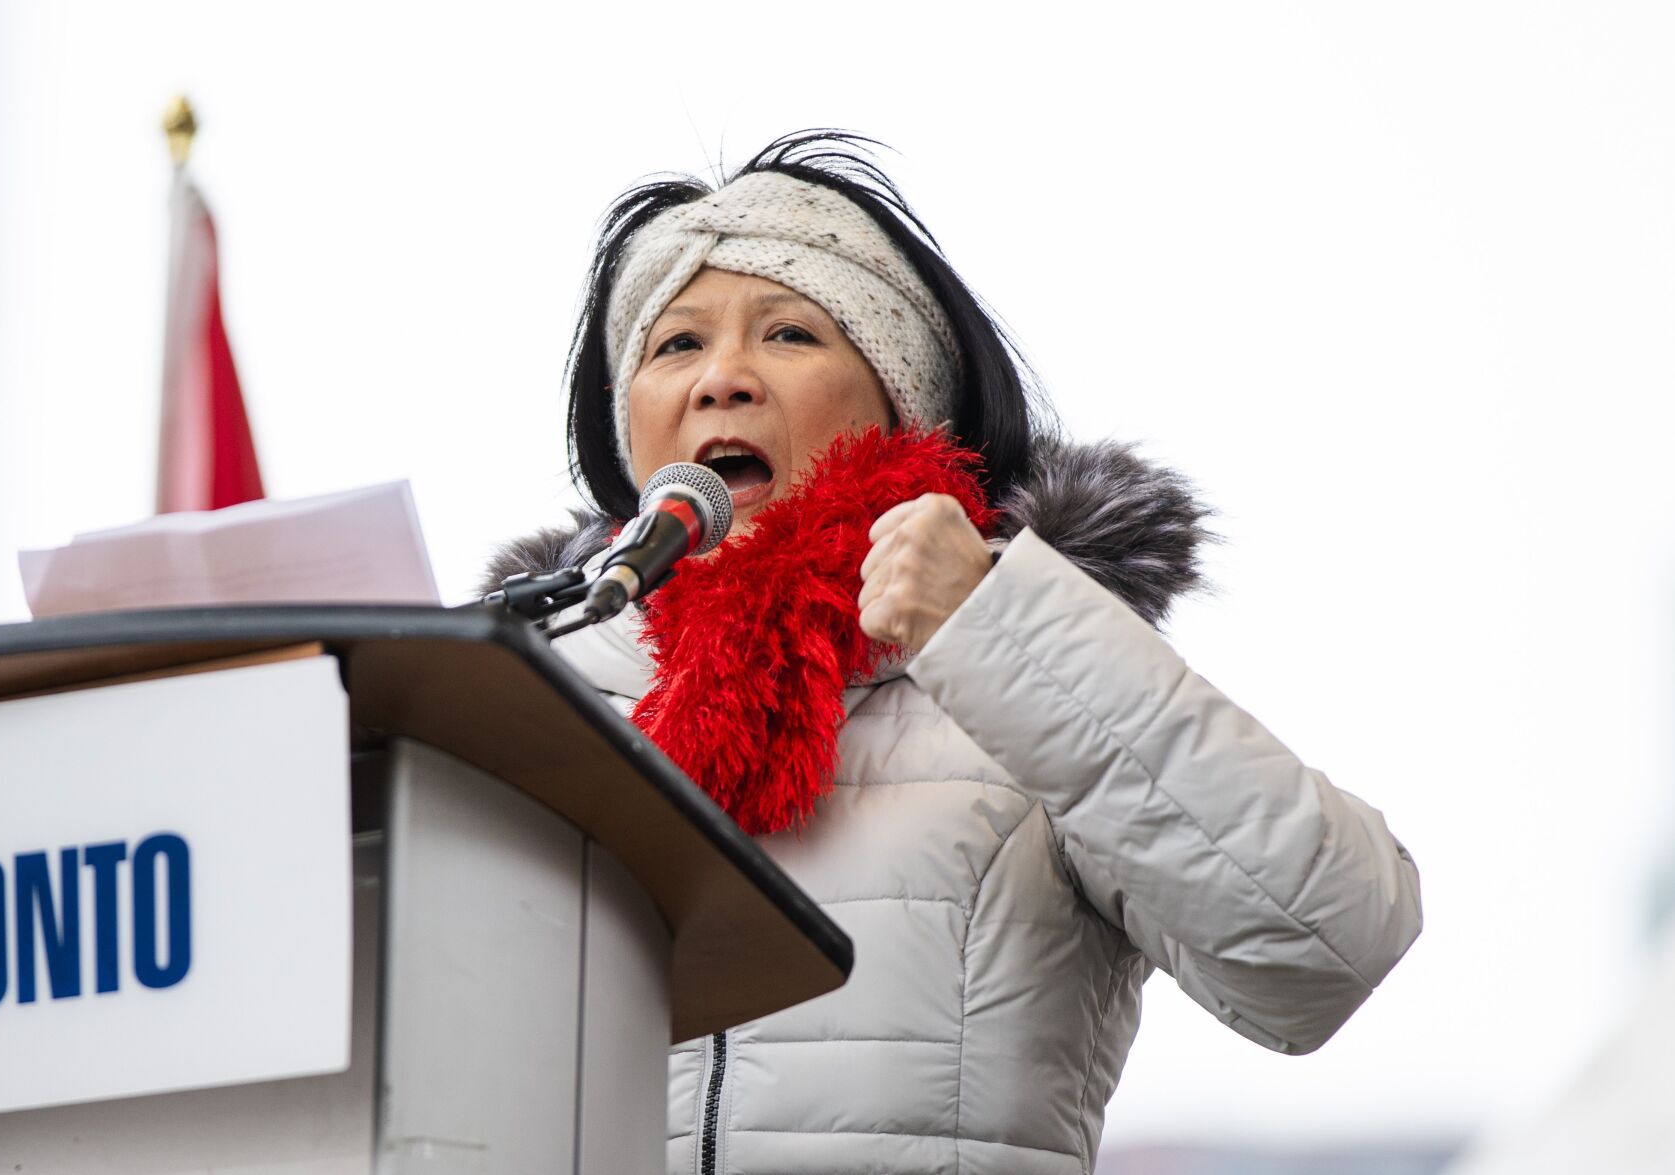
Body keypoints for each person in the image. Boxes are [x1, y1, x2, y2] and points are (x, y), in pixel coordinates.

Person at [483, 130, 1422, 1175]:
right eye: (674, 346)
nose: (721, 379)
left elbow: (1324, 948)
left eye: (789, 332)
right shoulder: (527, 692)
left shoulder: (1020, 664)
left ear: (902, 403)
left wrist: (996, 630)